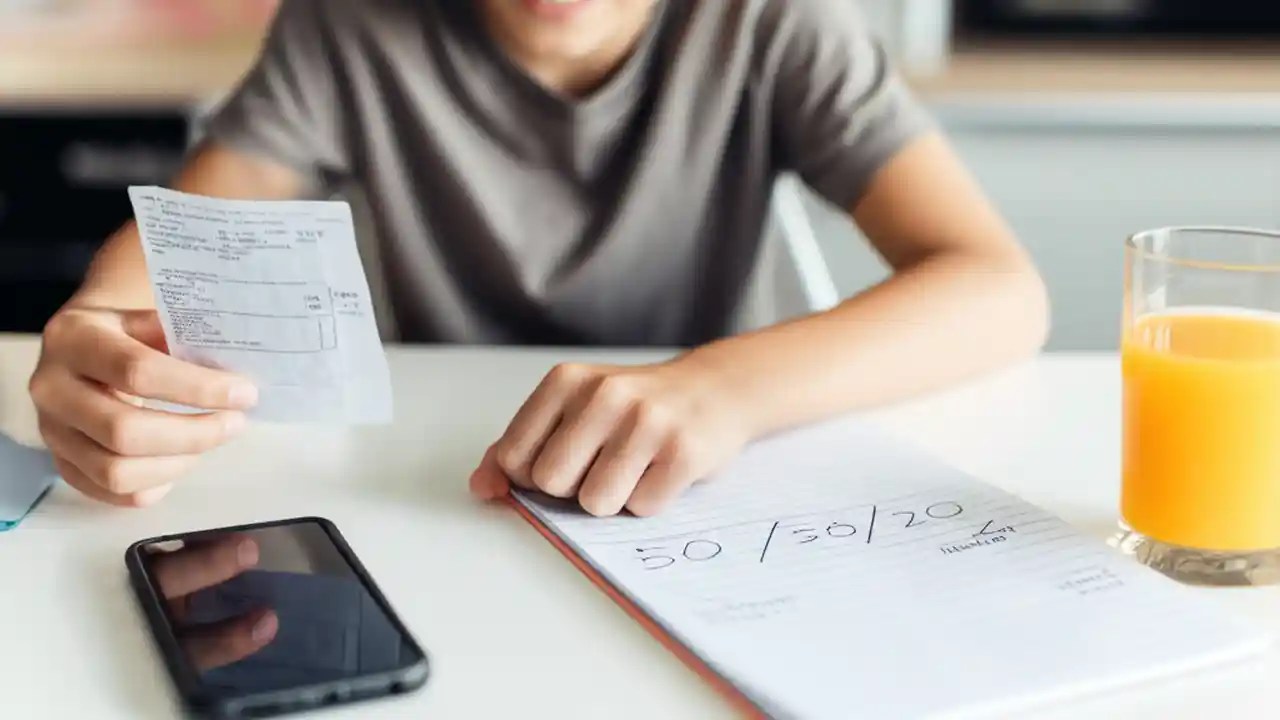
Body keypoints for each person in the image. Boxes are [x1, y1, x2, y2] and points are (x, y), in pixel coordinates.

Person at [27, 0, 1048, 516]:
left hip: (708, 480)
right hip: (442, 479)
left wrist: (722, 390)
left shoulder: (773, 23)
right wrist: (101, 330)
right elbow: (189, 233)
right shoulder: (349, 24)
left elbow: (998, 288)